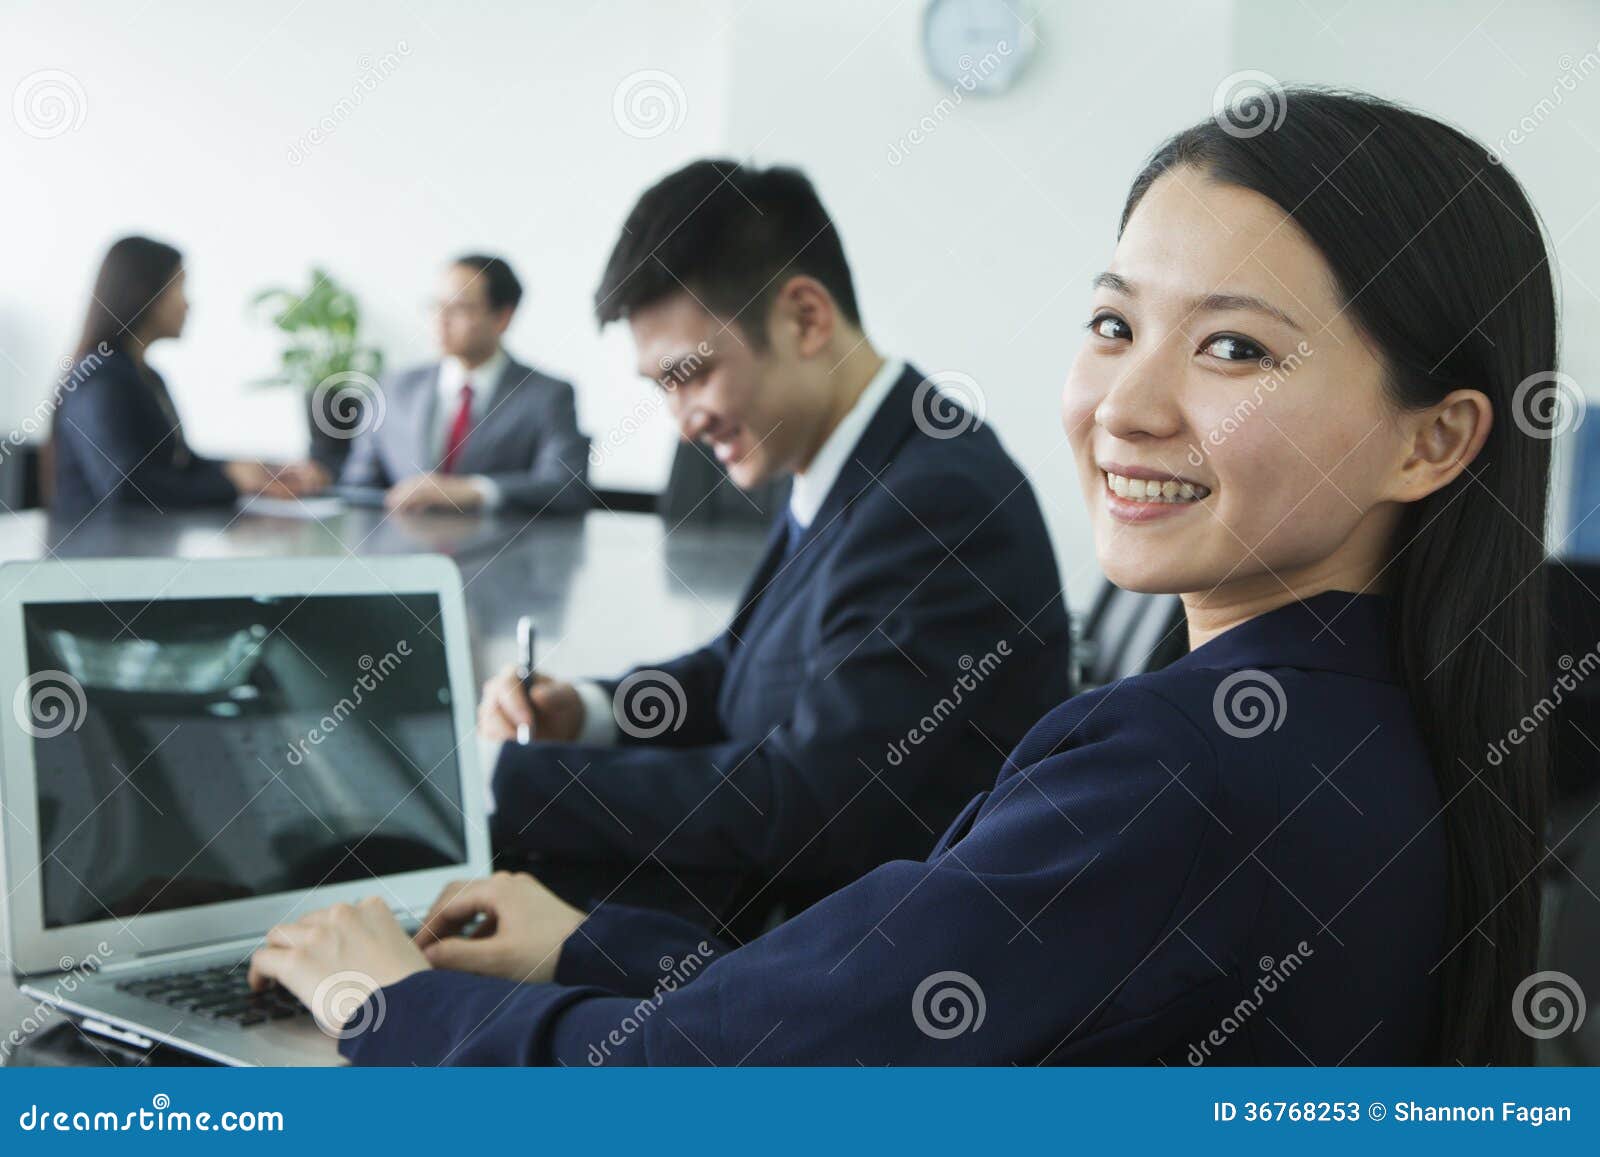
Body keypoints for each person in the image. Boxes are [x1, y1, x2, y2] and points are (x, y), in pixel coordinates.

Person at [250, 89, 1553, 1065]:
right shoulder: (1367, 706)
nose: (1126, 406)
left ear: (1430, 438)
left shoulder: (1185, 766)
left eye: (1231, 347)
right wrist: (591, 941)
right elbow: (910, 975)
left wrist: (393, 1004)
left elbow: (700, 1079)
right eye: (1113, 325)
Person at [478, 160, 1075, 925]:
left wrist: (516, 780)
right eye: (661, 386)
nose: (681, 418)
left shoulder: (935, 500)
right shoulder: (849, 461)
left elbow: (812, 803)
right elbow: (742, 668)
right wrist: (593, 713)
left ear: (804, 318)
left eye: (690, 374)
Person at [51, 236, 327, 521]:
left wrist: (263, 473)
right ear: (147, 293)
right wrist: (231, 482)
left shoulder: (147, 377)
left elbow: (180, 465)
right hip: (95, 559)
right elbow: (126, 486)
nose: (187, 304)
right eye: (179, 287)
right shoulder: (100, 378)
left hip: (135, 551)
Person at [337, 254, 590, 513]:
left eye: (460, 308)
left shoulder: (547, 395)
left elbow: (566, 487)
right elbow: (357, 486)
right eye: (436, 306)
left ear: (502, 317)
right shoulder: (393, 389)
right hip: (402, 549)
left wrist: (476, 491)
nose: (441, 320)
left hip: (501, 550)